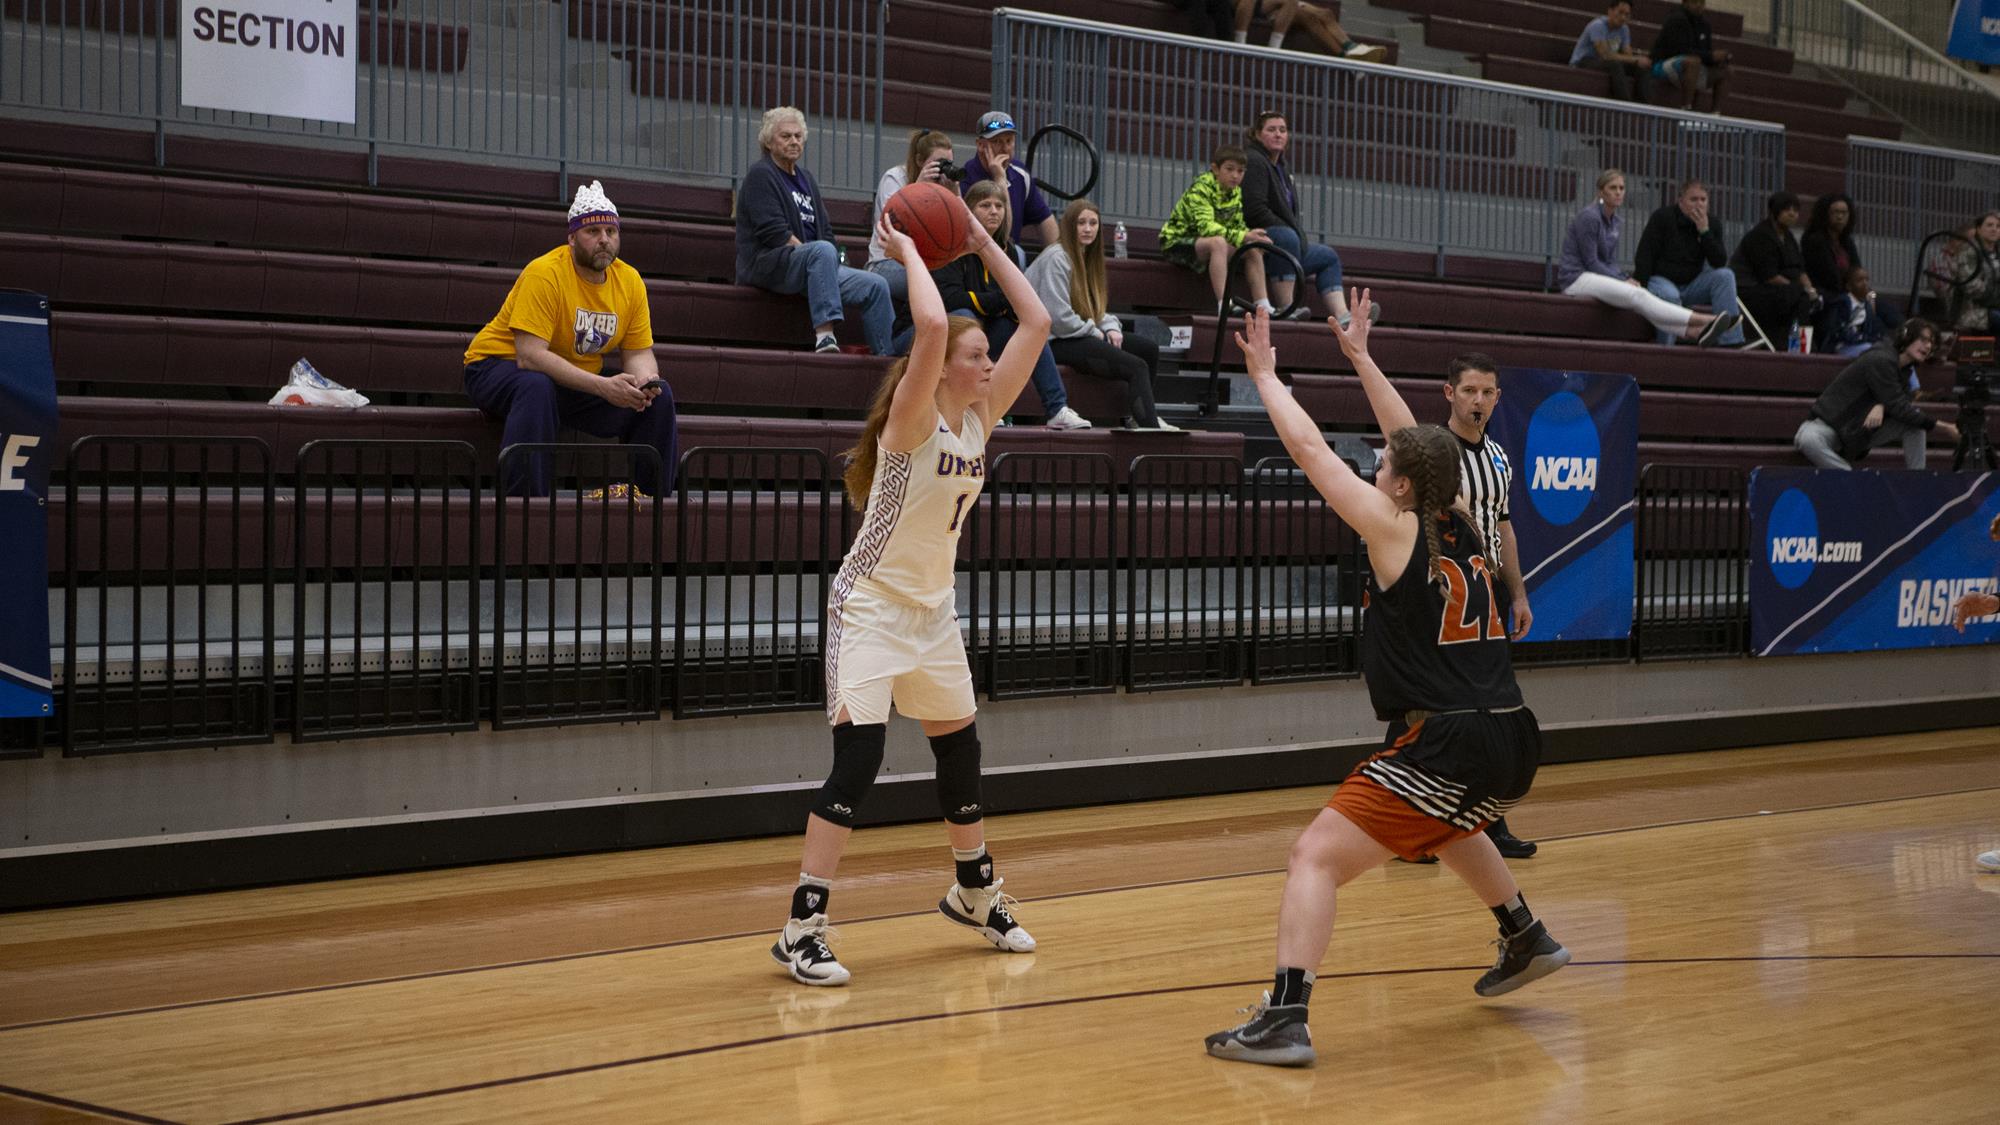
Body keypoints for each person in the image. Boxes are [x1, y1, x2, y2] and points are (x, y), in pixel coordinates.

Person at [1205, 297, 1569, 1067]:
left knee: (1314, 857)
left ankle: (1287, 1016)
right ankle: (1524, 932)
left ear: (1402, 488)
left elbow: (1310, 451)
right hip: (1510, 732)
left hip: (1449, 734)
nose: (1379, 463)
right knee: (1450, 821)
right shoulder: (1463, 511)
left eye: (1386, 466)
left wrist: (1267, 377)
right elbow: (1419, 442)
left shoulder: (1392, 526)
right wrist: (1362, 358)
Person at [769, 205, 1052, 988]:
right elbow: (928, 325)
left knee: (960, 754)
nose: (989, 362)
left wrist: (982, 240)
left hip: (933, 611)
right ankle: (802, 926)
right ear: (946, 368)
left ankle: (974, 891)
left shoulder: (980, 419)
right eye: (978, 353)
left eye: (988, 354)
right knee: (857, 764)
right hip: (869, 606)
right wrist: (904, 248)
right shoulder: (912, 422)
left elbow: (1039, 318)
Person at [463, 181, 677, 499]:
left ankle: (651, 500)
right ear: (572, 238)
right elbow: (530, 356)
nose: (604, 240)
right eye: (593, 232)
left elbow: (639, 351)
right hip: (495, 366)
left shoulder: (629, 281)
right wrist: (603, 387)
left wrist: (644, 381)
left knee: (658, 397)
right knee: (535, 386)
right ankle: (526, 505)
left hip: (569, 378)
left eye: (611, 232)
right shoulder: (545, 273)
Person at [1438, 353, 1539, 861]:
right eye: (1470, 391)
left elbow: (1503, 527)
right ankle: (1413, 825)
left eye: (1488, 392)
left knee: (1494, 706)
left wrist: (1517, 593)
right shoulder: (1433, 452)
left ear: (1498, 398)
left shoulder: (1499, 458)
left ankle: (1491, 824)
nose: (1479, 400)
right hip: (1445, 591)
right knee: (1432, 705)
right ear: (1449, 393)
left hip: (1491, 591)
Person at [735, 106, 895, 356]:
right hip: (771, 265)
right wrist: (819, 261)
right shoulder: (760, 175)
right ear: (768, 140)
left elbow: (826, 231)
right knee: (821, 251)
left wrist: (830, 263)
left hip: (814, 265)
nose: (794, 141)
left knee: (876, 285)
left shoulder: (806, 178)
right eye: (785, 136)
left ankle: (887, 359)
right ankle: (825, 336)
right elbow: (774, 233)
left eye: (798, 136)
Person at [932, 180, 1090, 430]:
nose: (994, 210)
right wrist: (998, 302)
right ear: (969, 211)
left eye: (999, 205)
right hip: (943, 334)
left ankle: (1057, 408)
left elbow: (1015, 303)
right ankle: (977, 409)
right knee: (965, 318)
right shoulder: (952, 244)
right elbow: (951, 299)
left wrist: (998, 304)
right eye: (985, 205)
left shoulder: (1010, 251)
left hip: (985, 331)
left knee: (1031, 329)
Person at [1030, 199, 1178, 431]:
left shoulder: (1088, 257)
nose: (1088, 229)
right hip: (1053, 341)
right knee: (1136, 366)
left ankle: (1140, 414)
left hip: (1076, 333)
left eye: (1093, 223)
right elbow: (1057, 318)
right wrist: (1093, 331)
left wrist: (1110, 327)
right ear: (1069, 226)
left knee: (1147, 349)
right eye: (1081, 223)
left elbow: (1094, 308)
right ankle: (1149, 426)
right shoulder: (1057, 257)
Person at [1558, 169, 1740, 347]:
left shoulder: (1614, 221)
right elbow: (1591, 262)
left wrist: (1705, 232)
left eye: (1621, 188)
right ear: (1600, 192)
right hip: (1576, 277)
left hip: (1687, 282)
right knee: (1640, 295)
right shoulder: (1590, 217)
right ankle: (1705, 320)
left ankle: (1696, 333)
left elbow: (1609, 261)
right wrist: (1625, 280)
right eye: (1613, 188)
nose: (1618, 192)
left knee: (1724, 276)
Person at [1241, 110, 1377, 328]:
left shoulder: (1282, 167)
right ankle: (1287, 307)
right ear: (1257, 134)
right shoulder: (1255, 161)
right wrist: (1291, 233)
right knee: (1287, 238)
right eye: (1271, 130)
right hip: (1259, 240)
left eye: (1282, 130)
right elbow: (1254, 209)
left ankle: (1343, 316)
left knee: (1327, 256)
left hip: (1286, 243)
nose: (1278, 134)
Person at [1792, 319, 1958, 471]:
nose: (1928, 346)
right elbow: (1898, 405)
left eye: (1931, 343)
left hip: (1857, 432)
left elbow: (1902, 400)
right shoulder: (1881, 359)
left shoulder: (1906, 371)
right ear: (1907, 337)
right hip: (1830, 426)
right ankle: (1848, 477)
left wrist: (1881, 405)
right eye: (1923, 340)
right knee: (1808, 439)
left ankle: (1917, 482)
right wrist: (1946, 427)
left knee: (1915, 426)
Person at [1161, 145, 1275, 316]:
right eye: (1229, 169)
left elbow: (1237, 225)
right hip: (1176, 242)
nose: (1235, 175)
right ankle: (1225, 303)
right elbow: (1206, 227)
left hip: (1206, 243)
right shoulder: (1201, 188)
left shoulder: (1235, 192)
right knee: (1218, 242)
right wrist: (1243, 235)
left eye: (1240, 171)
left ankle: (1263, 306)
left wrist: (1252, 236)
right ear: (1215, 168)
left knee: (1251, 246)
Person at [1633, 179, 1746, 347]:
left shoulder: (1712, 223)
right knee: (1670, 295)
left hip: (1692, 283)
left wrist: (1705, 232)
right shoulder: (1663, 217)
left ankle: (1730, 342)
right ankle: (1667, 348)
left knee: (1725, 276)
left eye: (1703, 199)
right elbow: (1645, 253)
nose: (1699, 204)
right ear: (1680, 201)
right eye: (1693, 199)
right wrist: (1640, 284)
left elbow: (1719, 262)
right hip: (1661, 280)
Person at [867, 129, 956, 306]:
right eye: (938, 163)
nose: (942, 169)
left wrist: (955, 195)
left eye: (948, 163)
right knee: (935, 280)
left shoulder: (942, 186)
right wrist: (919, 187)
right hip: (886, 262)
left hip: (924, 262)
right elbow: (892, 223)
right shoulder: (895, 177)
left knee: (951, 278)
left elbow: (958, 230)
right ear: (919, 161)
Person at [959, 111, 1060, 249]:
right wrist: (1000, 178)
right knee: (1018, 251)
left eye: (1009, 141)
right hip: (977, 253)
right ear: (980, 145)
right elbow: (1003, 237)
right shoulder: (965, 179)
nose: (1005, 148)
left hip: (1011, 256)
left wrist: (1056, 256)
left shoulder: (1020, 174)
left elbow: (1044, 218)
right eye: (997, 141)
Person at [1731, 190, 1818, 348]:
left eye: (1795, 210)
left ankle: (1802, 347)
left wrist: (1811, 289)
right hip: (1750, 290)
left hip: (1776, 291)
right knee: (1800, 298)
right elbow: (1770, 276)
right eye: (1787, 209)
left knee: (1812, 300)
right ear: (1774, 211)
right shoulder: (1759, 236)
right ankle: (1799, 348)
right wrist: (1799, 289)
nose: (1792, 214)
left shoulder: (1789, 237)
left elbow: (1799, 269)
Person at [1233, 0, 1389, 61]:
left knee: (1321, 15)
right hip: (1247, 4)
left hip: (1273, 6)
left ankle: (1348, 51)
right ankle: (1241, 45)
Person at [1649, 0, 1730, 112]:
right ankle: (1686, 108)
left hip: (1692, 68)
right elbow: (1679, 50)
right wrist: (1711, 56)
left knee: (1726, 71)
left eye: (1702, 2)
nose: (1699, 5)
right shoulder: (1676, 19)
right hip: (1663, 64)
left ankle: (1716, 114)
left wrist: (1717, 60)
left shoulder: (1705, 25)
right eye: (1695, 2)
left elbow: (1705, 54)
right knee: (1693, 62)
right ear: (1685, 2)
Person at [1570, 0, 1654, 104]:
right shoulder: (1598, 25)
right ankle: (1626, 105)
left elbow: (1628, 55)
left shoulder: (1624, 29)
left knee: (1640, 69)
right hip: (1584, 61)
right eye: (1620, 12)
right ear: (1610, 11)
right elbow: (1605, 55)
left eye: (1627, 15)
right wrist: (1636, 59)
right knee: (1614, 65)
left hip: (1605, 62)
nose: (1623, 17)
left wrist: (1638, 62)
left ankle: (1646, 107)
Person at [1818, 267, 1898, 357]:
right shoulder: (1842, 302)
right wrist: (1865, 338)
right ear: (1849, 286)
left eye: (1867, 280)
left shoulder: (1867, 305)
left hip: (1860, 343)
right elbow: (1839, 331)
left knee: (1889, 351)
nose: (1865, 284)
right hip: (1841, 346)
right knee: (1872, 351)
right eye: (1860, 280)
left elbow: (1874, 329)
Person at [1948, 211, 2000, 338]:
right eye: (1989, 225)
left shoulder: (1998, 252)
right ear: (1978, 229)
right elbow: (1972, 288)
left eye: (1998, 226)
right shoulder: (1968, 251)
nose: (1994, 229)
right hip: (1973, 312)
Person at [1800, 193, 1861, 296]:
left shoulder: (1847, 241)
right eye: (1835, 212)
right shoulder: (1815, 240)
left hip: (1848, 293)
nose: (1840, 216)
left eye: (1844, 213)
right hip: (1827, 294)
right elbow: (1830, 278)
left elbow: (1857, 271)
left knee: (1882, 307)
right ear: (1825, 214)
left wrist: (1870, 294)